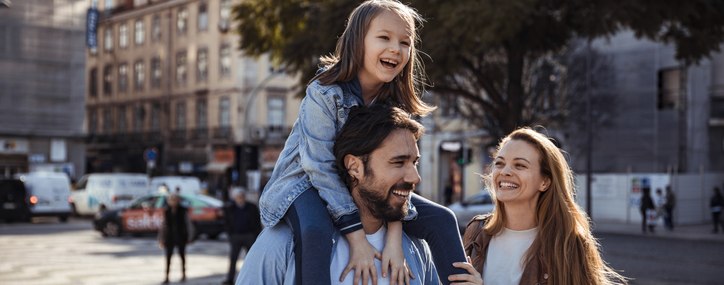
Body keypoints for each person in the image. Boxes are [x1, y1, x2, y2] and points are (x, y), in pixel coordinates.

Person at [257, 1, 466, 284]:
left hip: (363, 185)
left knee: (443, 219)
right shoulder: (324, 92)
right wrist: (357, 239)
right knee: (316, 230)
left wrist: (393, 237)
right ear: (358, 42)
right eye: (384, 37)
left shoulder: (396, 103)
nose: (396, 48)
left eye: (405, 42)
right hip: (305, 184)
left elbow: (397, 184)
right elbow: (319, 167)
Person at [238, 105, 468, 284]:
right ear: (355, 167)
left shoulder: (416, 249)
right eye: (398, 162)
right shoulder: (281, 245)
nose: (414, 177)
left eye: (414, 162)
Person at [458, 128, 627, 285]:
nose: (505, 171)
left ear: (545, 182)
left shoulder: (569, 243)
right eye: (499, 163)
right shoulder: (476, 231)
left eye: (520, 165)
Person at [222, 188, 262, 285]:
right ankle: (230, 279)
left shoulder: (252, 207)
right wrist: (230, 235)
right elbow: (226, 222)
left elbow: (257, 222)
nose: (240, 199)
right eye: (238, 197)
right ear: (235, 198)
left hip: (249, 236)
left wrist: (256, 235)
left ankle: (253, 279)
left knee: (251, 259)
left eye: (242, 197)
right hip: (236, 236)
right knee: (233, 259)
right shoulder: (230, 208)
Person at [158, 193, 193, 284]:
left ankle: (183, 274)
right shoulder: (167, 211)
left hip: (181, 237)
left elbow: (188, 224)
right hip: (169, 237)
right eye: (171, 200)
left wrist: (189, 237)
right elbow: (163, 226)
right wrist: (161, 238)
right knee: (168, 258)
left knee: (182, 256)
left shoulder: (183, 210)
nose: (173, 202)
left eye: (174, 199)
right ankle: (167, 276)